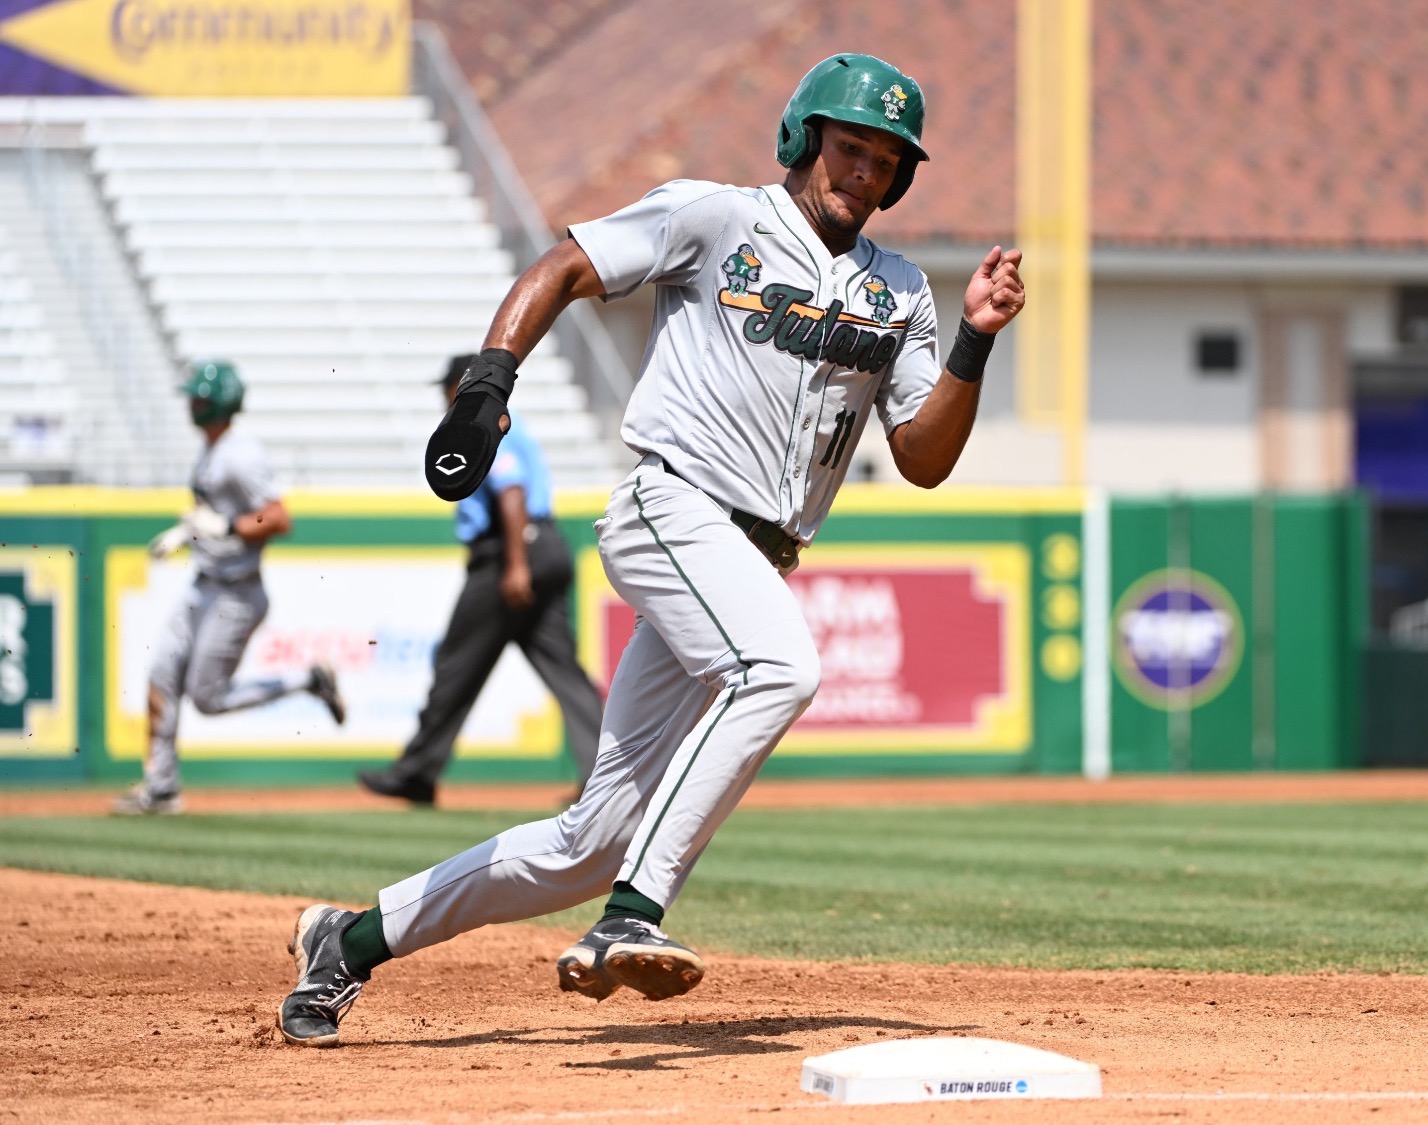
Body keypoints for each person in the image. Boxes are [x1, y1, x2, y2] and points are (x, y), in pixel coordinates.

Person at [276, 53, 1025, 1046]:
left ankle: (348, 940)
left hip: (750, 559)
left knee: (585, 843)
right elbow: (563, 267)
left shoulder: (901, 292)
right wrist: (488, 384)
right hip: (672, 506)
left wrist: (974, 341)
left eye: (887, 160)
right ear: (804, 139)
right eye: (851, 146)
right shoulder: (716, 219)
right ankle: (635, 911)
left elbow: (923, 459)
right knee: (780, 667)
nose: (866, 170)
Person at [356, 356, 603, 806]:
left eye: (446, 389)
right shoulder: (510, 421)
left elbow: (511, 491)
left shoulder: (480, 422)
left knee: (456, 664)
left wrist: (516, 564)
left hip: (509, 552)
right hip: (545, 545)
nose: (443, 398)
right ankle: (607, 779)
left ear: (461, 388)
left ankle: (416, 772)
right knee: (565, 672)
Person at [117, 361, 346, 815]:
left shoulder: (240, 454)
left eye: (198, 397)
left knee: (208, 699)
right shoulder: (212, 449)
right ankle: (160, 787)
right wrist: (187, 533)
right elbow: (212, 513)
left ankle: (308, 681)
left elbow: (278, 517)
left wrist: (225, 527)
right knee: (160, 674)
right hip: (204, 583)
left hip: (236, 592)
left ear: (218, 402)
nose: (191, 404)